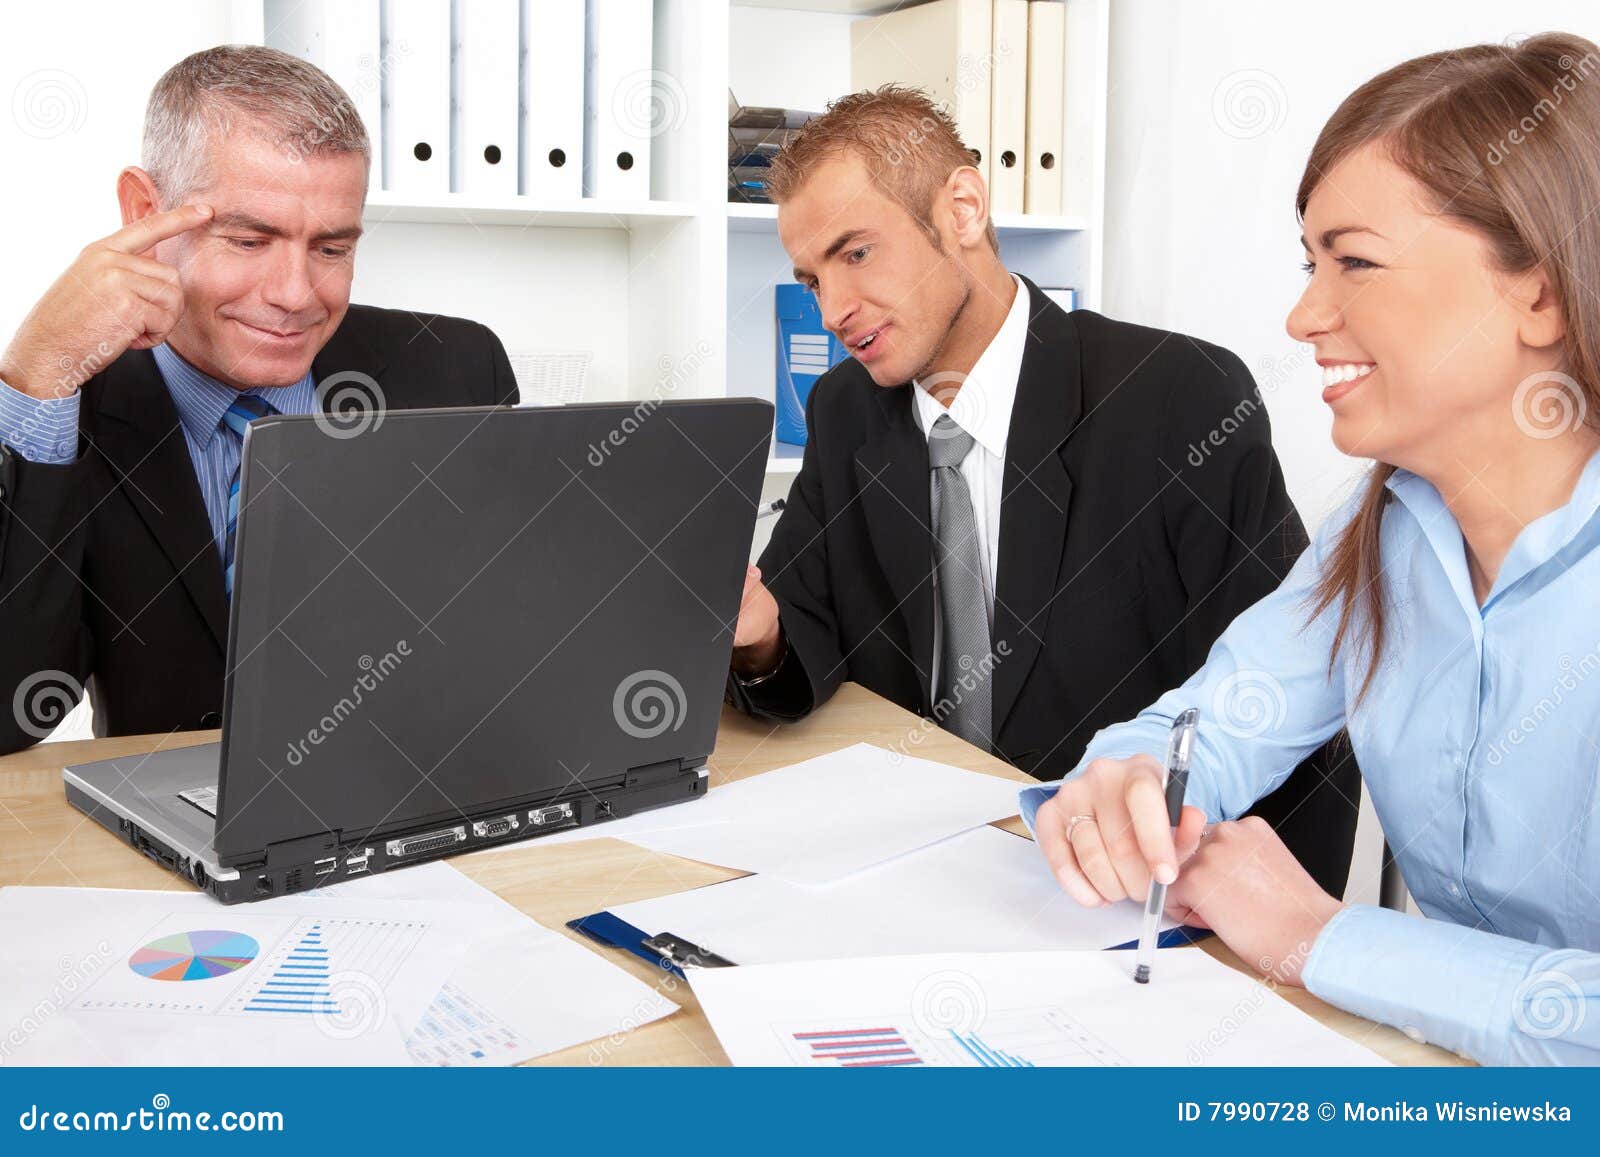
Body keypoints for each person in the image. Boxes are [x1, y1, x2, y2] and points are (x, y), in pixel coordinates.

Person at [1028, 33, 1600, 1066]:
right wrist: (1128, 780)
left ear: (1540, 291)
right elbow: (1219, 718)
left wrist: (1317, 934)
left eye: (1356, 262)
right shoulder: (1380, 525)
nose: (1302, 315)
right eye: (1310, 263)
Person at [726, 86, 1359, 898]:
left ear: (962, 208)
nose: (834, 311)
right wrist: (759, 635)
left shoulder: (1178, 399)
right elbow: (803, 635)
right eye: (811, 279)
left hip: (1110, 891)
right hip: (919, 871)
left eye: (856, 254)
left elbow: (1293, 712)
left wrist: (1273, 952)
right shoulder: (847, 409)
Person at [0, 46, 517, 754]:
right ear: (145, 213)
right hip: (180, 828)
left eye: (331, 250)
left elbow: (519, 638)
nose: (296, 295)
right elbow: (11, 711)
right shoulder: (70, 408)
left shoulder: (458, 372)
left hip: (421, 803)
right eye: (248, 239)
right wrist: (36, 377)